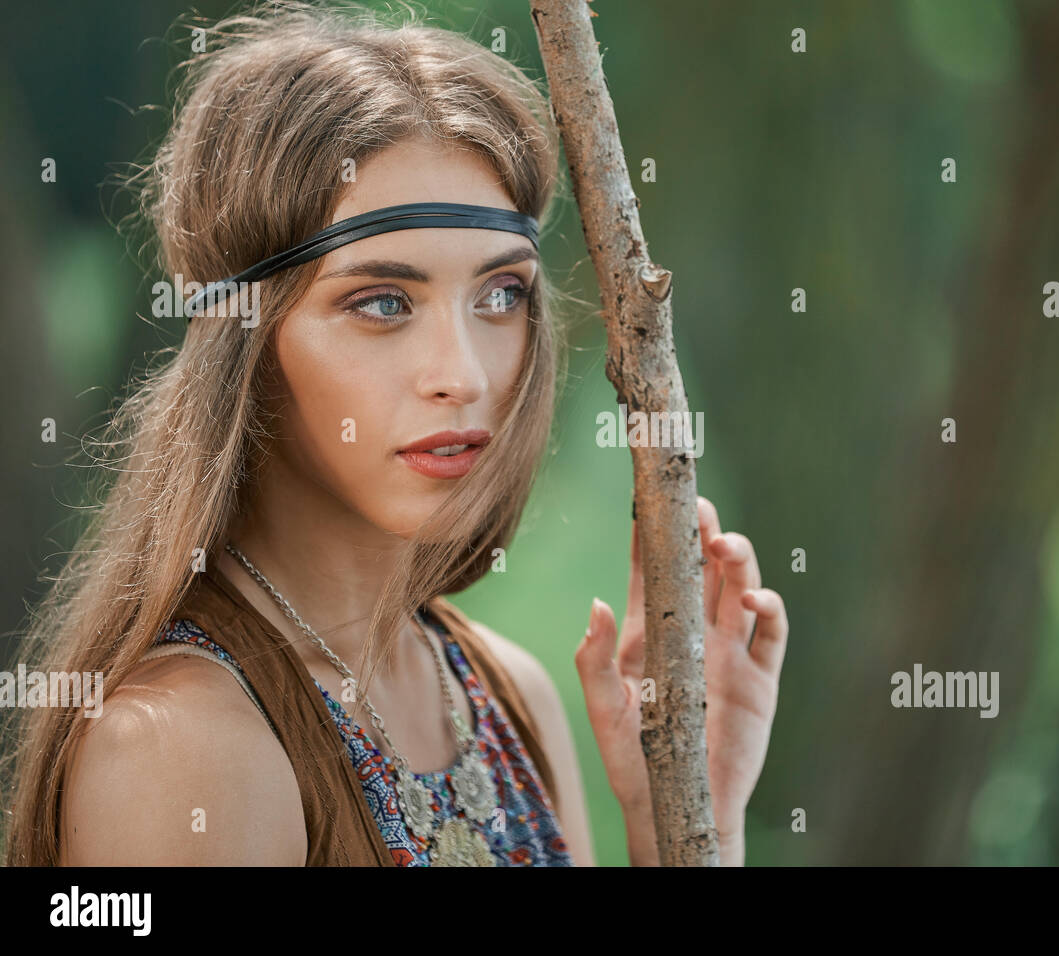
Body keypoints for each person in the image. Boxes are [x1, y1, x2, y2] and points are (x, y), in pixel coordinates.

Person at [1, 1, 787, 867]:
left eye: (500, 296)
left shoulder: (506, 695)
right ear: (245, 341)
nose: (466, 373)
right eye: (382, 302)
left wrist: (682, 820)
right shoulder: (180, 746)